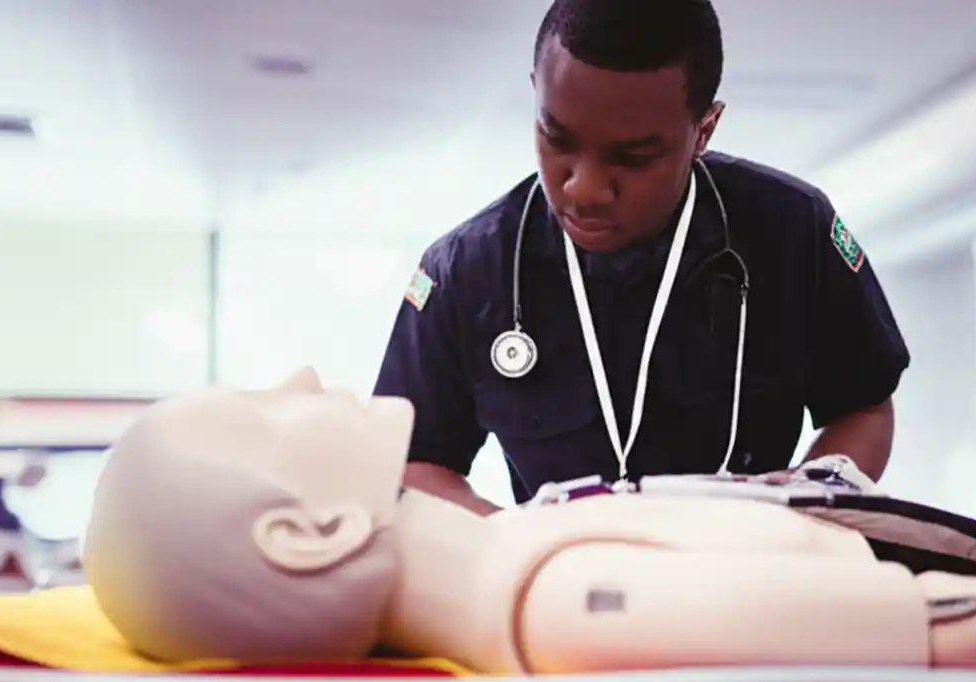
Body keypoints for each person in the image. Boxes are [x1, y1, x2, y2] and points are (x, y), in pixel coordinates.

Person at [82, 369, 976, 676]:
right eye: (266, 409)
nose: (304, 378)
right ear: (309, 532)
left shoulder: (534, 546)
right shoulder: (574, 608)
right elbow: (940, 622)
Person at [373, 0, 909, 515]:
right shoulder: (464, 269)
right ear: (536, 93)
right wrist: (516, 545)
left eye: (632, 157)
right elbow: (413, 462)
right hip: (557, 586)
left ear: (704, 130)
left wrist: (804, 500)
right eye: (555, 138)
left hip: (746, 574)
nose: (582, 190)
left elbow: (863, 406)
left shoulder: (794, 230)